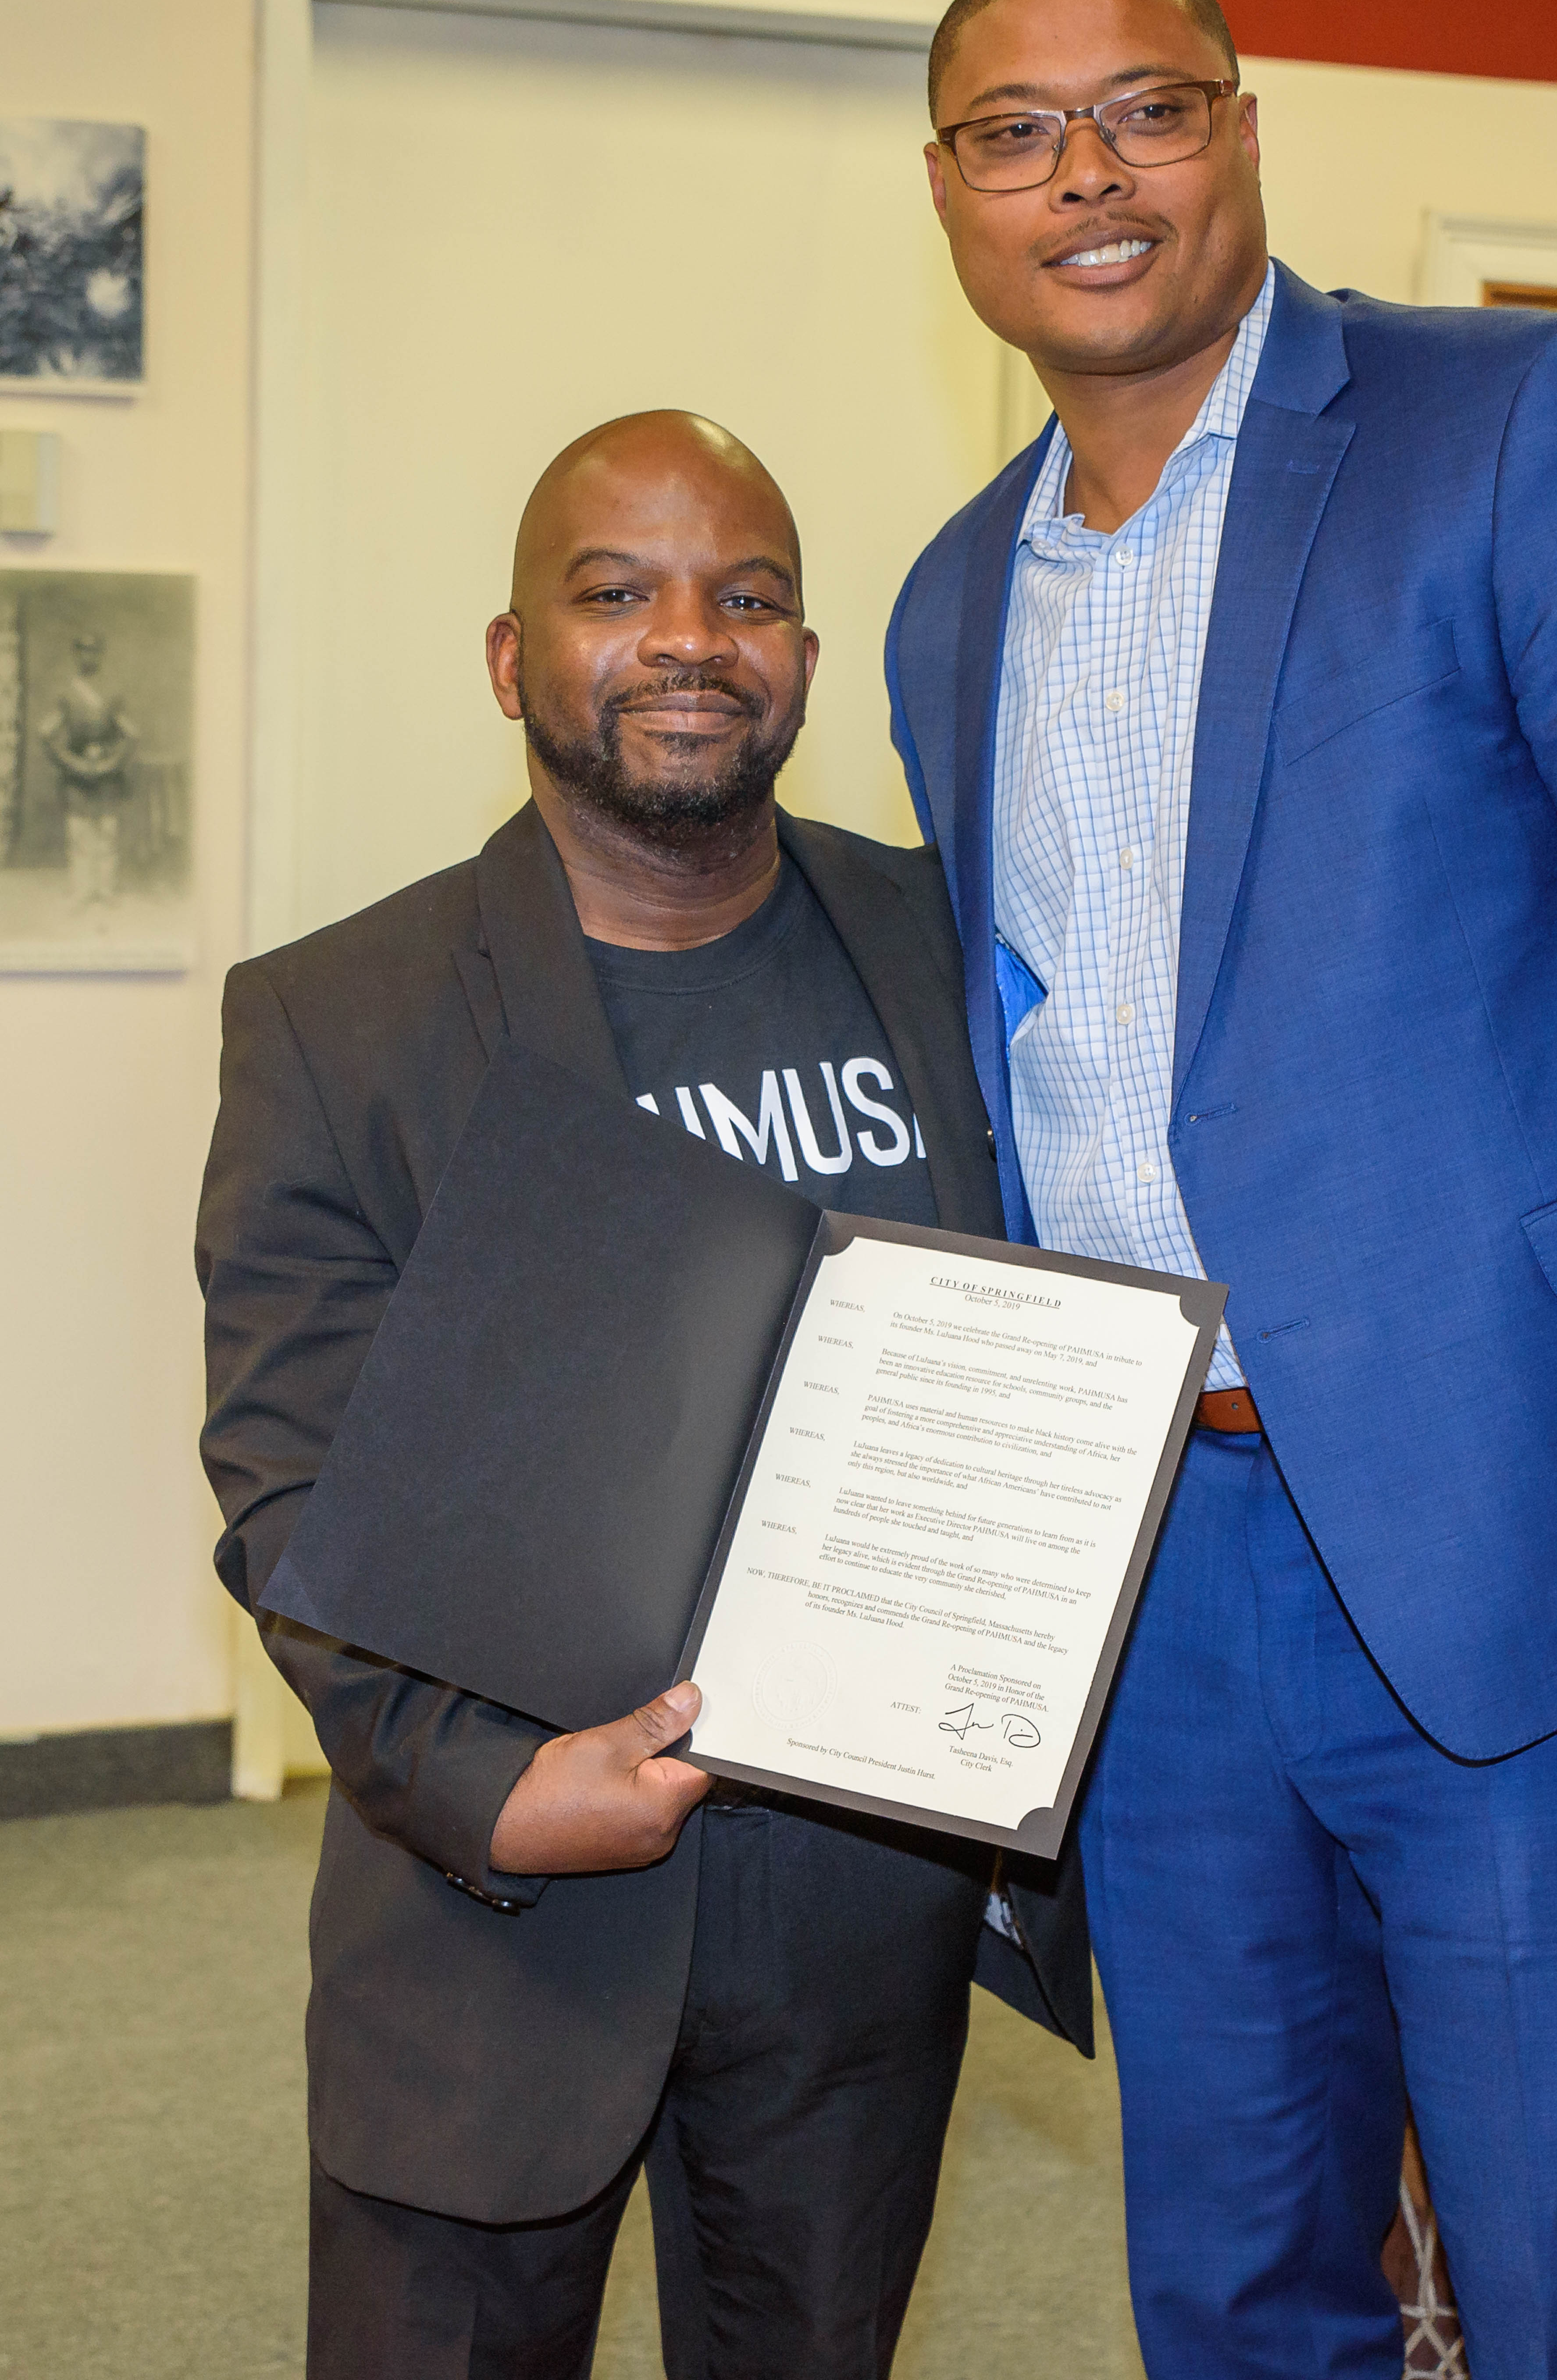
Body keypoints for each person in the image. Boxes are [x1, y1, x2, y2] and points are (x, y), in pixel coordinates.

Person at [884, 0, 1557, 2380]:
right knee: (1235, 2280)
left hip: (1524, 1547)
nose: (1088, 171)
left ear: (1238, 127)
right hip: (1149, 1580)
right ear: (947, 199)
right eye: (1016, 130)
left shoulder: (1515, 423)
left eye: (1145, 101)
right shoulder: (945, 601)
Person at [197, 411, 1089, 2380]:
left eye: (747, 593)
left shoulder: (944, 953)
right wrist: (485, 1785)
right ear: (513, 658)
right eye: (616, 591)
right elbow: (289, 1471)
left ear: (804, 656)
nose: (691, 635)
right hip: (500, 1907)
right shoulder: (340, 1018)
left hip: (864, 1907)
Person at [39, 628, 135, 907]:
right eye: (83, 651)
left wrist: (111, 764)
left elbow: (132, 734)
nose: (88, 656)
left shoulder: (113, 693)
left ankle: (105, 890)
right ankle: (82, 891)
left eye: (94, 651)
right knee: (80, 833)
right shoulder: (68, 693)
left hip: (107, 774)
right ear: (76, 655)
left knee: (107, 831)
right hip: (77, 775)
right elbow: (46, 733)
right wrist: (71, 764)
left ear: (101, 655)